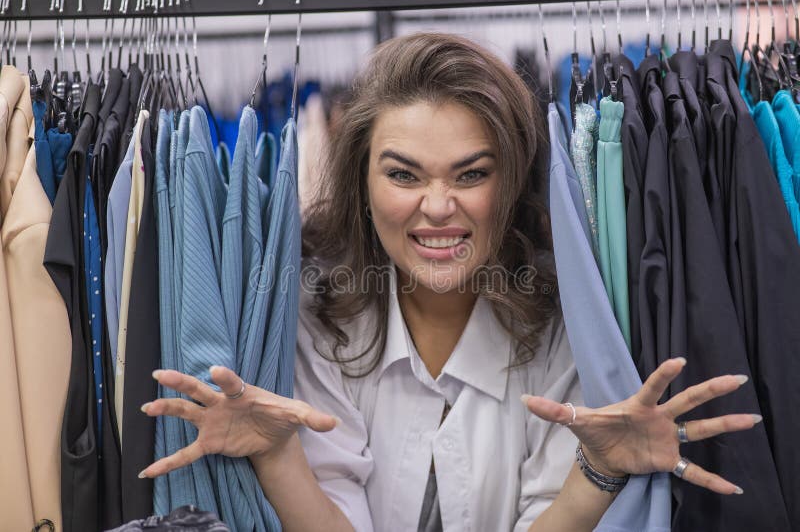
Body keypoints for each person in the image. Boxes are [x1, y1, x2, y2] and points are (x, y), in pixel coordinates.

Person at [139, 33, 760, 532]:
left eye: (470, 175)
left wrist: (596, 468)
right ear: (362, 185)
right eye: (404, 176)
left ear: (511, 182)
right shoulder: (311, 317)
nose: (438, 208)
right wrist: (276, 456)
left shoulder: (565, 323)